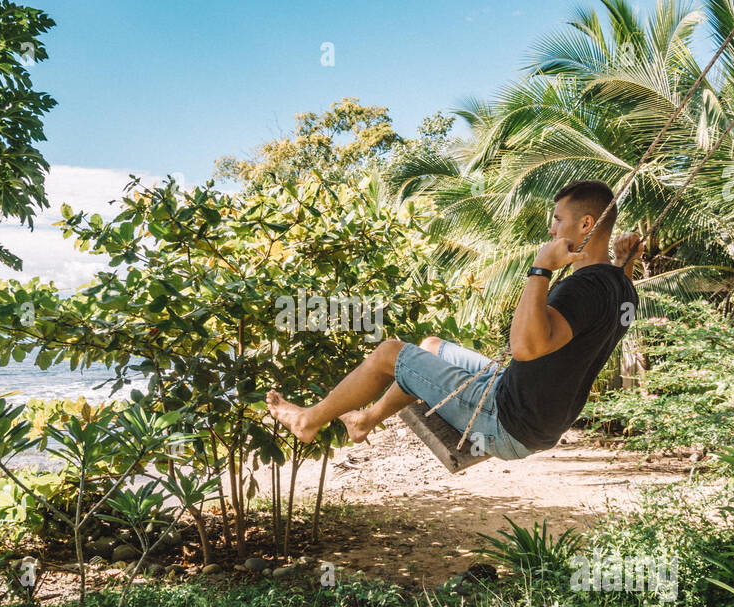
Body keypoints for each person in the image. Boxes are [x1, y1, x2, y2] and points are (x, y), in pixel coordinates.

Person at [267, 179, 642, 461]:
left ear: (585, 224)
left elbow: (525, 348)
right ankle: (365, 420)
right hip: (536, 415)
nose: (551, 230)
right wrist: (624, 263)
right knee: (430, 347)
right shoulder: (619, 286)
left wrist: (540, 267)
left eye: (558, 220)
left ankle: (309, 421)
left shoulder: (581, 288)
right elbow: (597, 313)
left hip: (506, 420)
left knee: (390, 353)